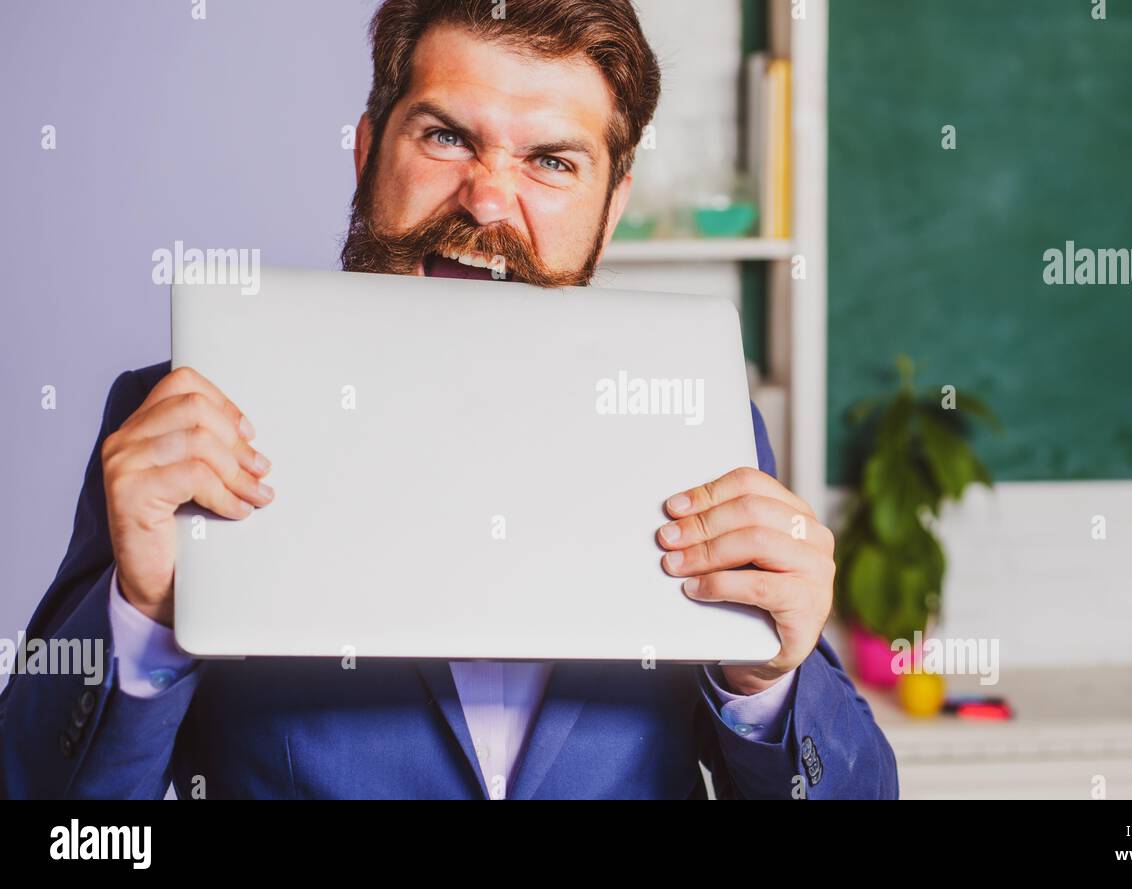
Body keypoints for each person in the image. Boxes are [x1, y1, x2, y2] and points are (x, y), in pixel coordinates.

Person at [0, 0, 897, 800]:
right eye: (445, 136)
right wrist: (142, 614)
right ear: (365, 150)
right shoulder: (172, 421)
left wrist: (769, 680)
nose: (489, 199)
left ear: (612, 205)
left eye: (551, 160)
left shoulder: (697, 423)